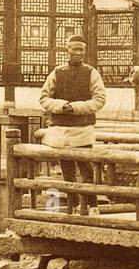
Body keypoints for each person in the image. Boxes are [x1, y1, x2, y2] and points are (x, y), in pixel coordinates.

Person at [38, 34, 107, 214]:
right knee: (67, 171)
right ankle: (74, 206)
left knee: (86, 171)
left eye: (81, 49)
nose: (77, 53)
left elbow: (100, 99)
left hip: (83, 129)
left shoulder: (92, 73)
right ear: (67, 50)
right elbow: (44, 98)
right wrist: (61, 106)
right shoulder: (57, 72)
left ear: (85, 51)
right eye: (74, 49)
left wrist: (76, 108)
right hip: (61, 130)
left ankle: (92, 207)